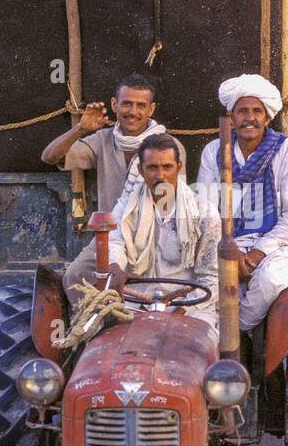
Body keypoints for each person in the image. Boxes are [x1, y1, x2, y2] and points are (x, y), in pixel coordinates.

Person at [43, 73, 185, 306]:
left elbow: (171, 206)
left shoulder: (169, 147)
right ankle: (95, 330)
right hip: (110, 237)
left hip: (155, 236)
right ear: (114, 105)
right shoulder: (103, 140)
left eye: (141, 105)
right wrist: (81, 129)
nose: (133, 111)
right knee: (75, 277)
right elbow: (50, 157)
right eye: (127, 103)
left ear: (151, 110)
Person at [195, 74, 288, 332]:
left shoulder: (285, 151)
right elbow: (206, 209)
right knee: (198, 285)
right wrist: (229, 251)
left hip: (271, 246)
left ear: (267, 117)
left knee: (271, 281)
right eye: (242, 111)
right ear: (231, 117)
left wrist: (255, 256)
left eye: (257, 111)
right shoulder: (215, 150)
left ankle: (235, 331)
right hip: (222, 242)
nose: (250, 118)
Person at [104, 134, 220, 344]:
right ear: (141, 170)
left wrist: (179, 313)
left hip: (190, 307)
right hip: (134, 304)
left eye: (167, 167)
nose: (161, 175)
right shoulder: (127, 206)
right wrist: (115, 266)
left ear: (179, 167)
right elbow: (115, 242)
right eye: (152, 168)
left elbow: (210, 278)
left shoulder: (203, 212)